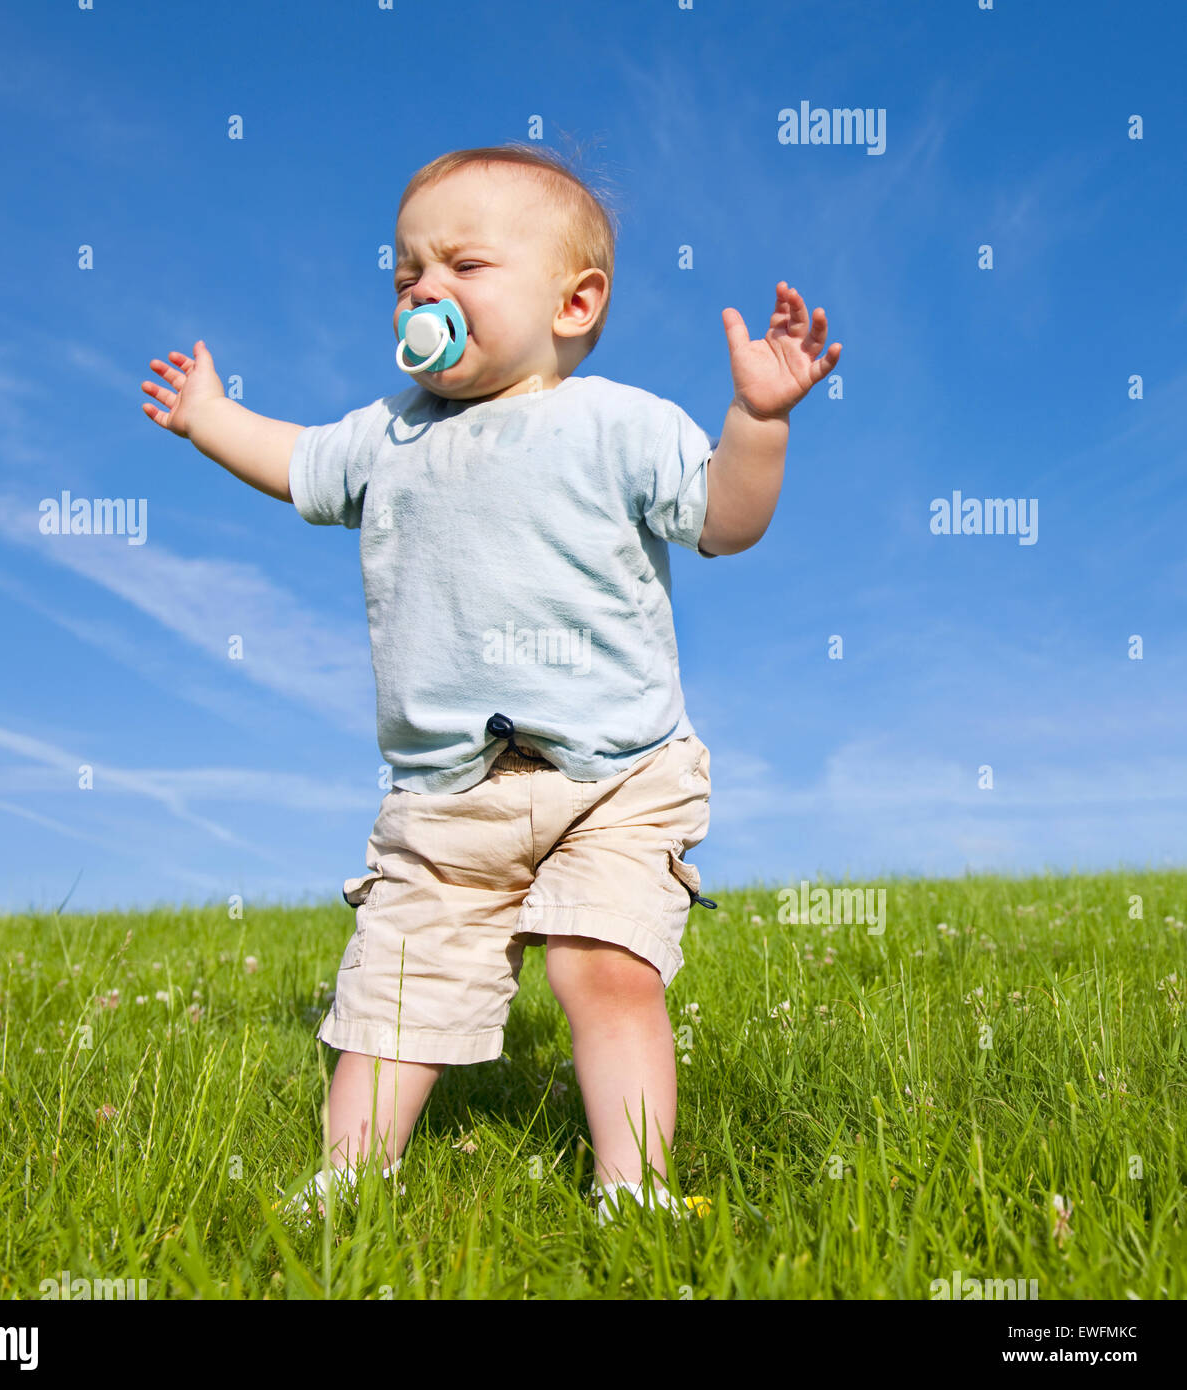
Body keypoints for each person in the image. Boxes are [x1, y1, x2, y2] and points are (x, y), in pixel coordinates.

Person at [140, 143, 840, 1226]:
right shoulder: (388, 435)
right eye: (405, 274)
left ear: (575, 301)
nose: (424, 289)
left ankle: (634, 1191)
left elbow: (726, 524)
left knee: (604, 965)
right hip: (443, 792)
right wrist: (208, 419)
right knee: (396, 988)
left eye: (463, 265)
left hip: (616, 771)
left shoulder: (619, 423)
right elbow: (296, 465)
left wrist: (758, 421)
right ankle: (348, 1183)